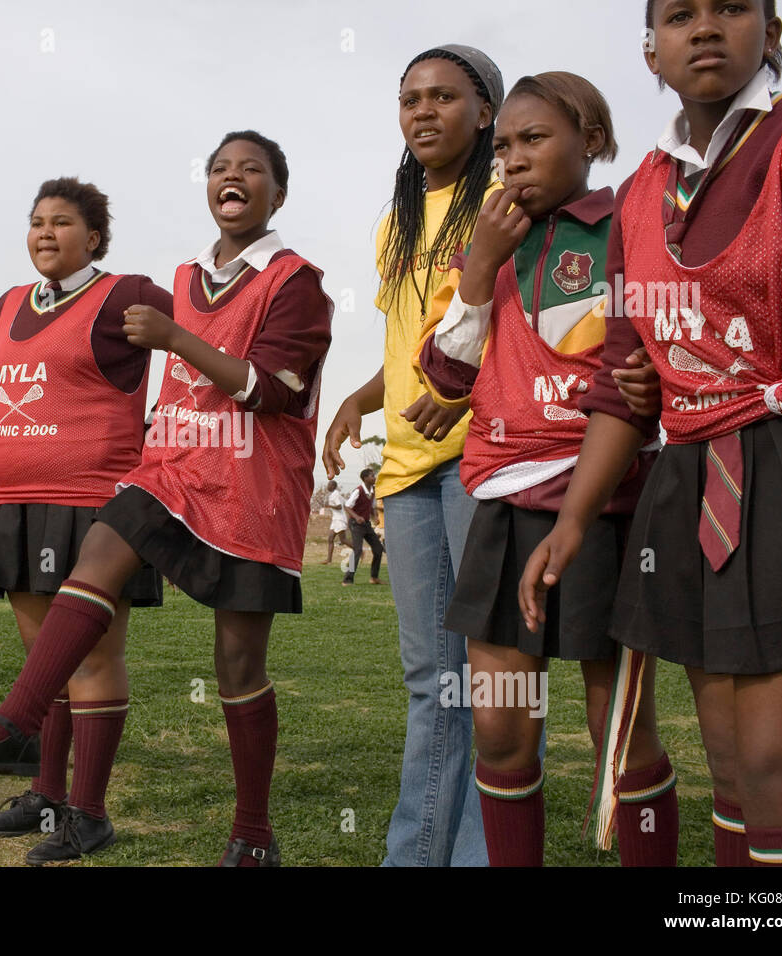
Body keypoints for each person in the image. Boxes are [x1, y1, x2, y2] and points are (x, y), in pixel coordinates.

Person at [0, 131, 332, 867]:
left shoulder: (294, 280)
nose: (231, 178)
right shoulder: (183, 275)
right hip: (169, 471)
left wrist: (177, 338)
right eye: (219, 169)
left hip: (250, 488)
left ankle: (254, 834)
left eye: (251, 171)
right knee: (103, 550)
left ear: (279, 192)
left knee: (238, 665)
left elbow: (273, 390)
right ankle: (21, 726)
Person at [521, 0, 782, 867]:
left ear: (771, 35)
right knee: (735, 767)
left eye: (732, 8)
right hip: (694, 480)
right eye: (680, 15)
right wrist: (574, 520)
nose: (705, 27)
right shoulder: (640, 195)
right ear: (651, 50)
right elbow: (625, 384)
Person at [418, 72, 677, 866]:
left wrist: (650, 382)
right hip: (501, 499)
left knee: (618, 727)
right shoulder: (490, 244)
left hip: (605, 499)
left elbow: (665, 346)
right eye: (503, 147)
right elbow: (444, 377)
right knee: (501, 723)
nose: (513, 161)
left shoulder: (632, 223)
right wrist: (478, 269)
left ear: (592, 140)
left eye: (535, 140)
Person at [322, 43, 503, 867]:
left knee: (497, 679)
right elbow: (410, 341)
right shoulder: (395, 221)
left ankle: (474, 852)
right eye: (410, 99)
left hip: (485, 458)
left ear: (487, 110)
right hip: (406, 465)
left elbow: (519, 328)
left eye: (443, 96)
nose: (423, 112)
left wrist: (464, 398)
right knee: (434, 678)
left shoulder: (505, 197)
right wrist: (363, 397)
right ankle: (421, 852)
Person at [0, 176, 168, 864]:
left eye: (61, 222)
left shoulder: (127, 292)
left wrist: (165, 440)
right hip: (21, 501)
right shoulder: (5, 305)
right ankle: (46, 794)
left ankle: (90, 814)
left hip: (95, 504)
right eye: (35, 222)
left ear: (93, 237)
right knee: (43, 662)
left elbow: (204, 338)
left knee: (90, 657)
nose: (45, 233)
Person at [341, 468, 384, 585]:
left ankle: (374, 578)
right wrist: (356, 517)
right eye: (372, 476)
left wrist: (374, 516)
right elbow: (347, 506)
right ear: (365, 478)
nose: (374, 477)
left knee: (378, 549)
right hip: (356, 524)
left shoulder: (372, 491)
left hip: (366, 524)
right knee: (358, 550)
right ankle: (347, 579)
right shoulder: (358, 491)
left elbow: (370, 506)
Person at [323, 479, 349, 564]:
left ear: (333, 486)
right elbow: (345, 503)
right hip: (336, 519)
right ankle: (329, 560)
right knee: (330, 539)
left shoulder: (335, 495)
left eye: (329, 485)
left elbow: (339, 507)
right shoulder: (334, 494)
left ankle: (359, 551)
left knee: (343, 540)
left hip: (340, 519)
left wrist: (329, 505)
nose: (327, 486)